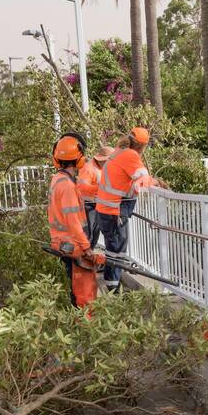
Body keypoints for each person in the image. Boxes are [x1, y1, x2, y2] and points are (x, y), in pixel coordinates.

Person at [94, 127, 155, 290]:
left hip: (104, 210)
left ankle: (111, 283)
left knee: (112, 249)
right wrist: (155, 182)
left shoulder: (118, 152)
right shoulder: (131, 155)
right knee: (117, 252)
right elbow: (142, 179)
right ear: (143, 146)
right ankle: (113, 289)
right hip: (114, 212)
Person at [47, 134, 104, 309]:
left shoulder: (57, 180)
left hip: (62, 243)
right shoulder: (68, 187)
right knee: (85, 295)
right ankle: (86, 328)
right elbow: (74, 224)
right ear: (80, 159)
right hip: (75, 247)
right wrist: (87, 249)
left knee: (75, 291)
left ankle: (76, 319)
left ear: (57, 159)